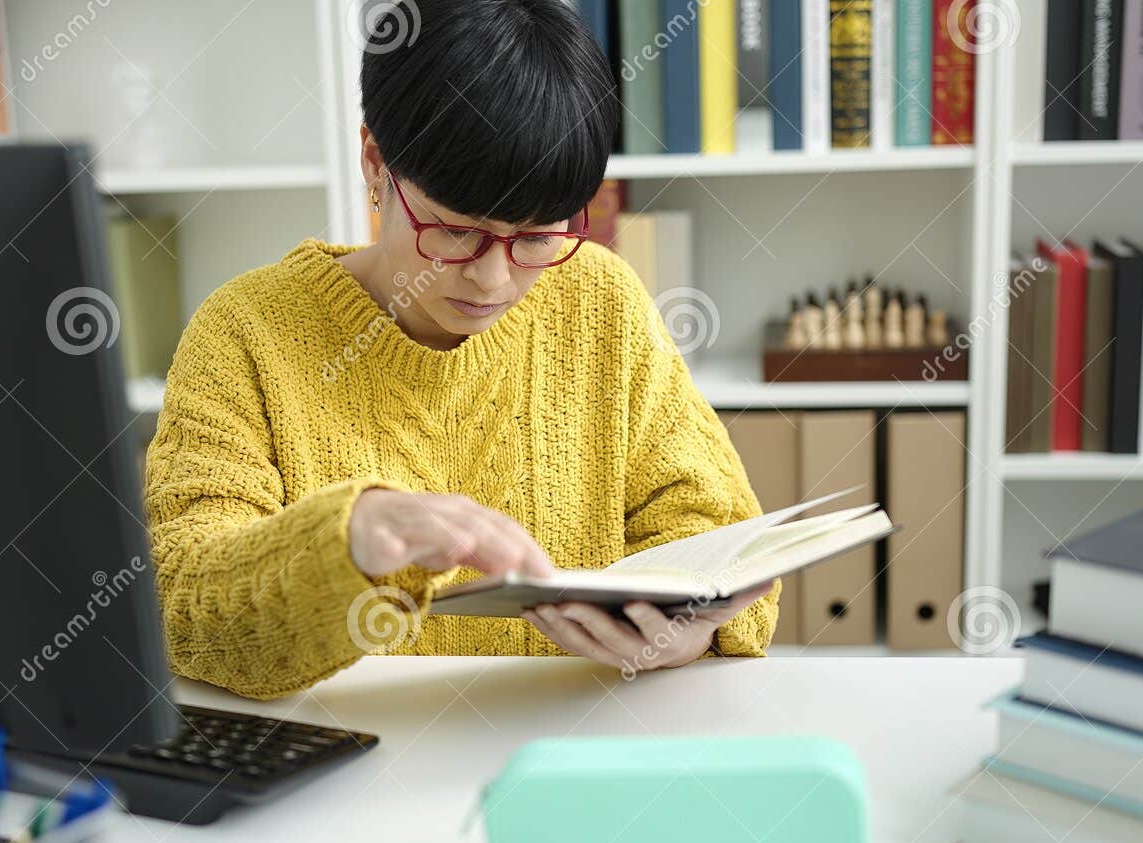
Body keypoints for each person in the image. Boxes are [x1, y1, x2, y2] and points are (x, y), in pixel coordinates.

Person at [144, 0, 777, 699]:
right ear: (375, 165)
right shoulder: (246, 332)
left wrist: (690, 628)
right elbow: (183, 609)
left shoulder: (601, 300)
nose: (493, 278)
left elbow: (719, 532)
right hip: (352, 771)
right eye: (455, 231)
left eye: (538, 237)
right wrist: (345, 539)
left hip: (571, 754)